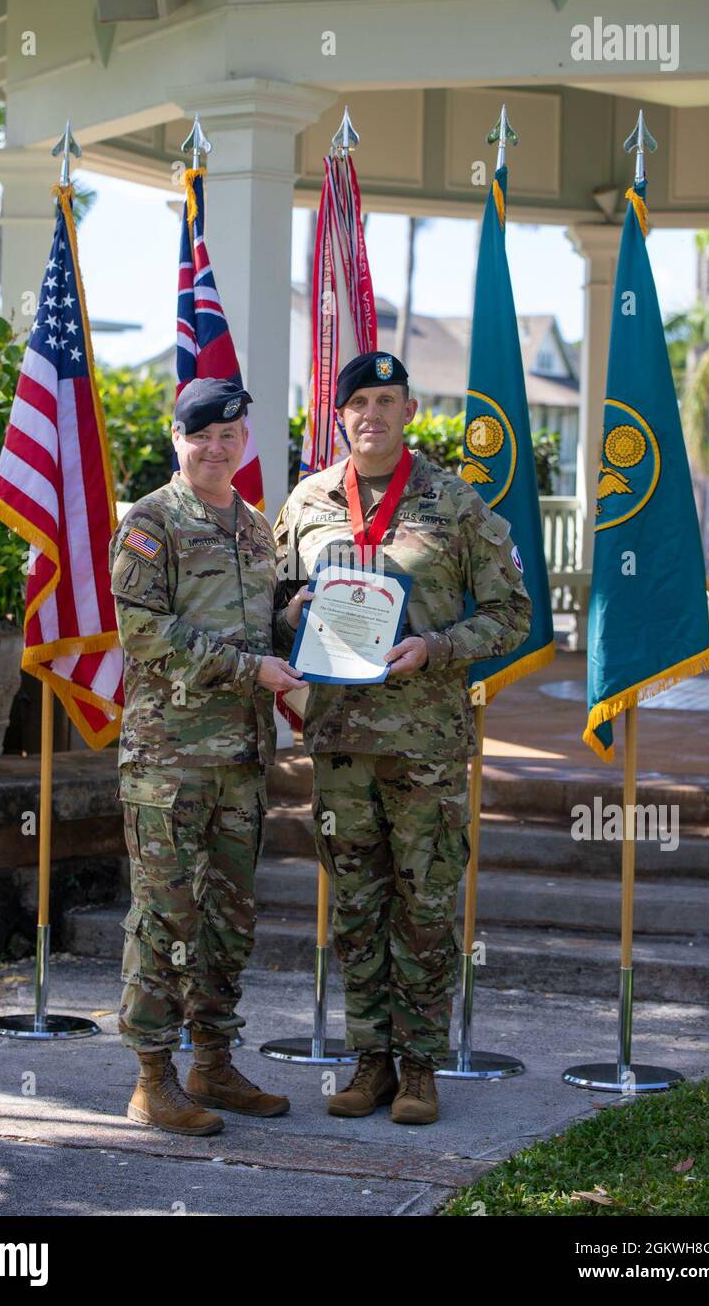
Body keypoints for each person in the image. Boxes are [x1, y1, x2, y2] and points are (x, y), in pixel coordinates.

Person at [274, 351, 532, 1125]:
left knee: (424, 905)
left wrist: (437, 647)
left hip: (426, 744)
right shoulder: (309, 501)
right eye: (359, 402)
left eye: (388, 401)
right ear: (340, 413)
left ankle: (421, 1068)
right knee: (355, 905)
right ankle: (369, 1062)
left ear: (410, 412)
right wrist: (292, 614)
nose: (372, 415)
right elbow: (277, 597)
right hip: (341, 743)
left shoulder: (458, 506)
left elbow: (512, 615)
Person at [110, 377, 303, 1136]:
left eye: (229, 435)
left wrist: (296, 621)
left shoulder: (257, 528)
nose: (216, 448)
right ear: (176, 438)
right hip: (170, 759)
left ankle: (212, 1064)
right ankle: (152, 1079)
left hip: (241, 760)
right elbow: (145, 636)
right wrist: (247, 666)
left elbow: (263, 637)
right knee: (165, 917)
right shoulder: (150, 523)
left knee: (228, 920)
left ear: (244, 441)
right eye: (201, 435)